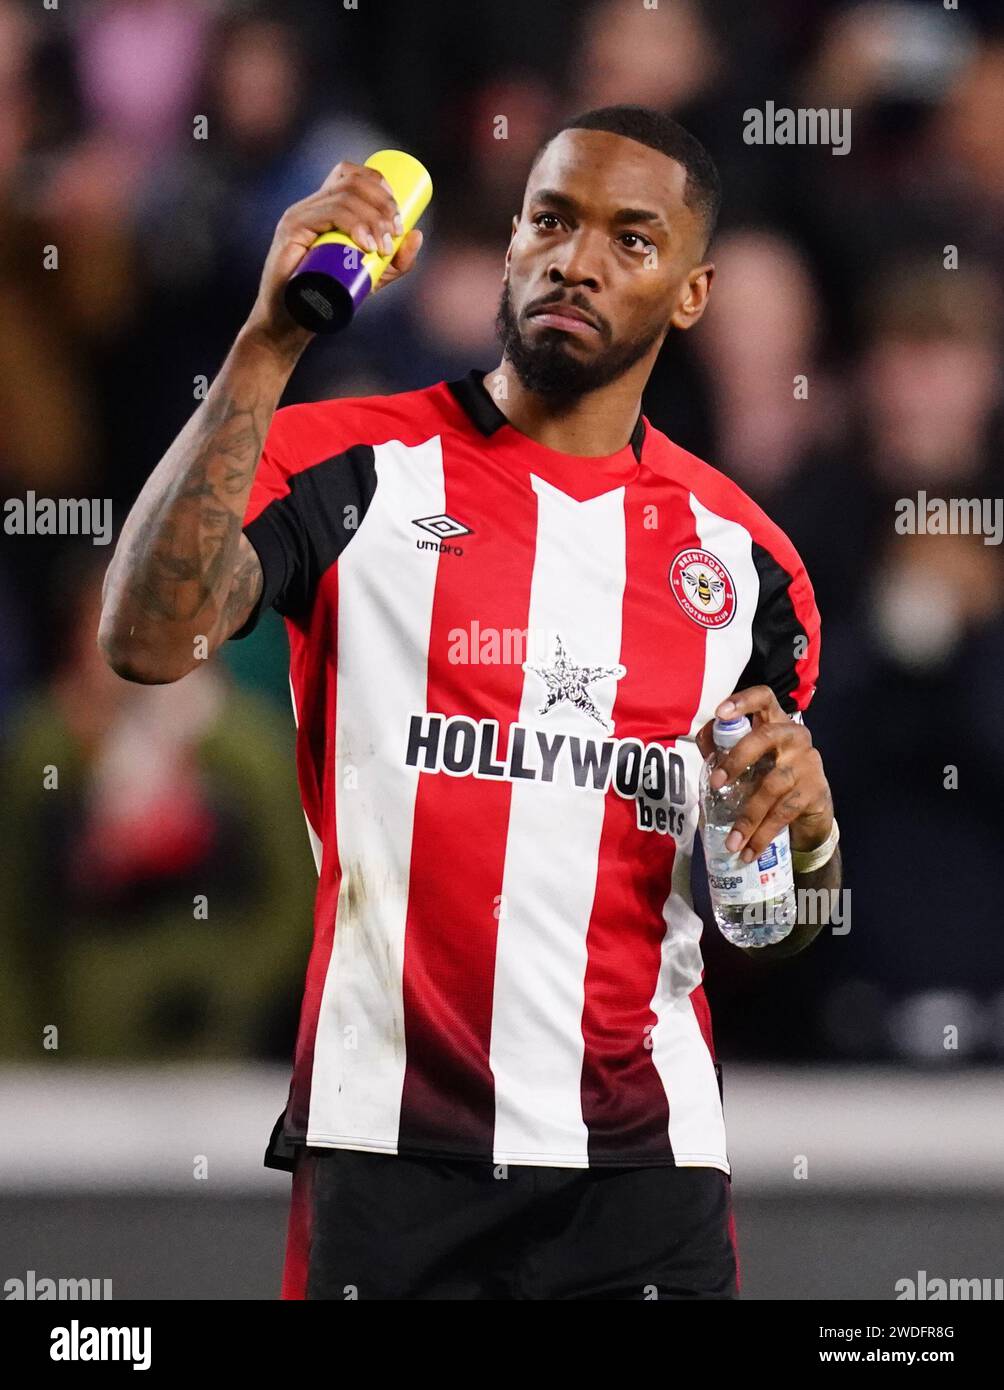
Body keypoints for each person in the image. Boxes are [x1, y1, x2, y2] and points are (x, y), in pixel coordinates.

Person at [98, 103, 842, 1300]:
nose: (577, 259)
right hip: (393, 1153)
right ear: (506, 244)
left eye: (630, 240)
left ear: (691, 294)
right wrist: (264, 343)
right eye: (551, 219)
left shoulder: (747, 567)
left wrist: (807, 842)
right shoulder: (345, 464)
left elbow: (770, 923)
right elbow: (145, 639)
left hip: (642, 1172)